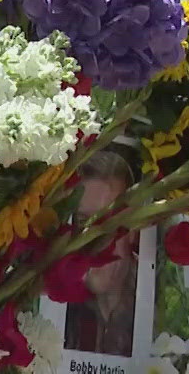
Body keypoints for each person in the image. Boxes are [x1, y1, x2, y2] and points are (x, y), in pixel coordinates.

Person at [63, 149, 138, 357]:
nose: (94, 239)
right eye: (81, 222)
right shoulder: (54, 311)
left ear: (133, 229)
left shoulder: (160, 317)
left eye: (108, 222)